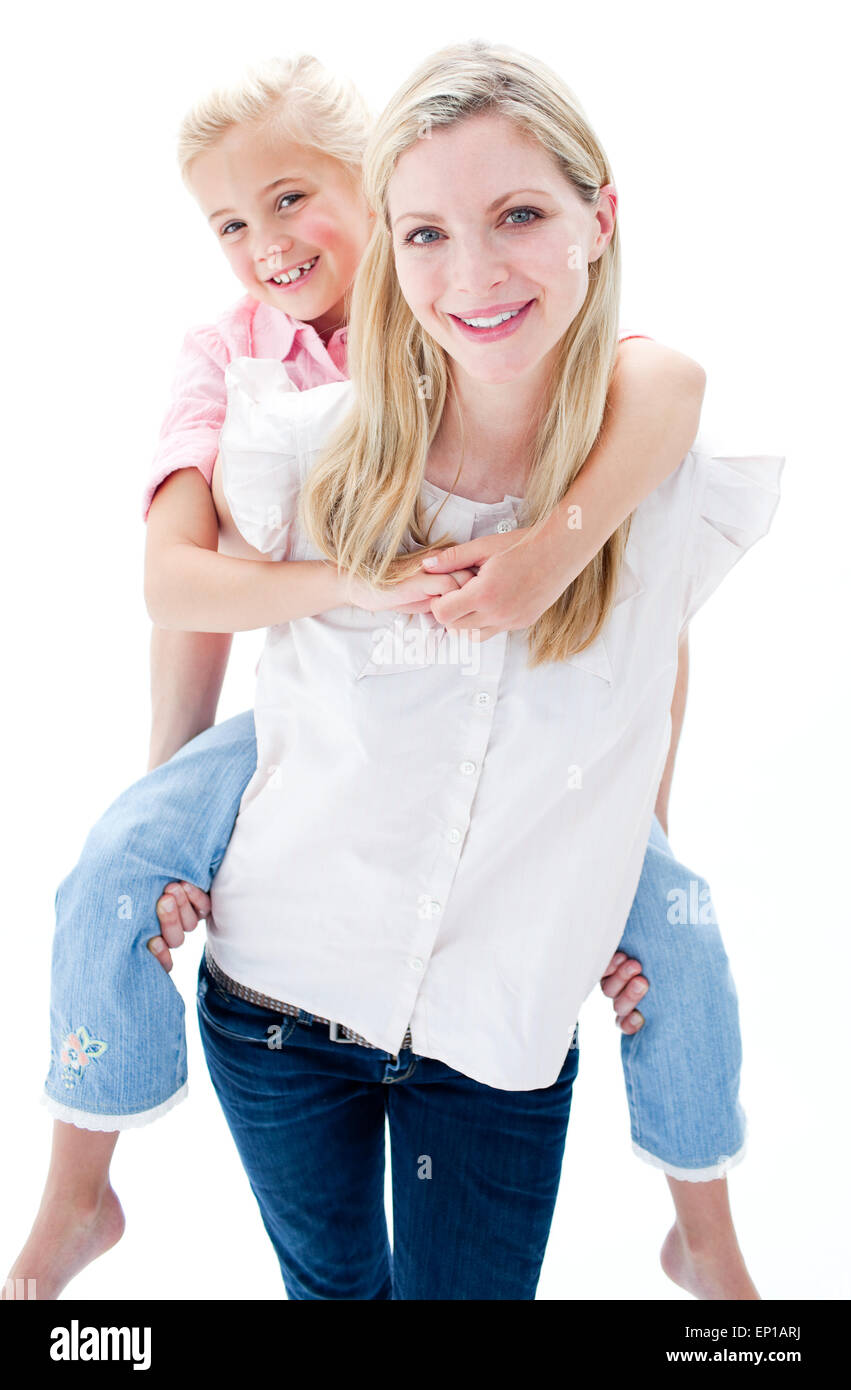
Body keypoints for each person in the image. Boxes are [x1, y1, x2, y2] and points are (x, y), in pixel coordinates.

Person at [3, 48, 754, 1302]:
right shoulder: (251, 381)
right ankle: (77, 1194)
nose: (266, 243)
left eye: (293, 199)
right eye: (230, 221)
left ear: (370, 179)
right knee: (119, 863)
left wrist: (545, 565)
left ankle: (707, 1231)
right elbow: (180, 594)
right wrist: (190, 777)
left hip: (512, 879)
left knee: (677, 936)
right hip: (301, 782)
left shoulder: (528, 357)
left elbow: (662, 408)